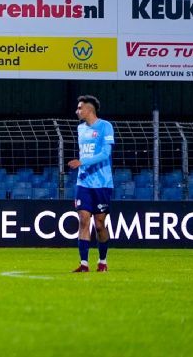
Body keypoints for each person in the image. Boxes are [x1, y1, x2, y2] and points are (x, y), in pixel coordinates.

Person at [69, 94, 115, 273]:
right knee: (83, 221)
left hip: (102, 183)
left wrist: (82, 162)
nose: (77, 111)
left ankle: (102, 261)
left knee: (100, 225)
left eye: (80, 108)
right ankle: (84, 264)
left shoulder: (106, 126)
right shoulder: (80, 129)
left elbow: (105, 154)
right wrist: (82, 166)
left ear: (89, 109)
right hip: (84, 182)